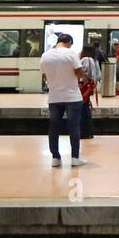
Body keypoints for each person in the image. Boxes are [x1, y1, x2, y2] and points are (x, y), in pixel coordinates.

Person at [39, 32, 85, 167]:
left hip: (54, 97)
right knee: (74, 127)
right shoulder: (70, 54)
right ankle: (75, 158)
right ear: (69, 42)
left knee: (53, 127)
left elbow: (45, 75)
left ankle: (55, 158)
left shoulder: (45, 55)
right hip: (72, 96)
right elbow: (79, 73)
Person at [78, 44, 101, 141]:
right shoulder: (94, 60)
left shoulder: (86, 59)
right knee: (86, 109)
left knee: (83, 111)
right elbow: (98, 76)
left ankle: (84, 133)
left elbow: (84, 73)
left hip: (83, 87)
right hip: (89, 88)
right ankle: (88, 132)